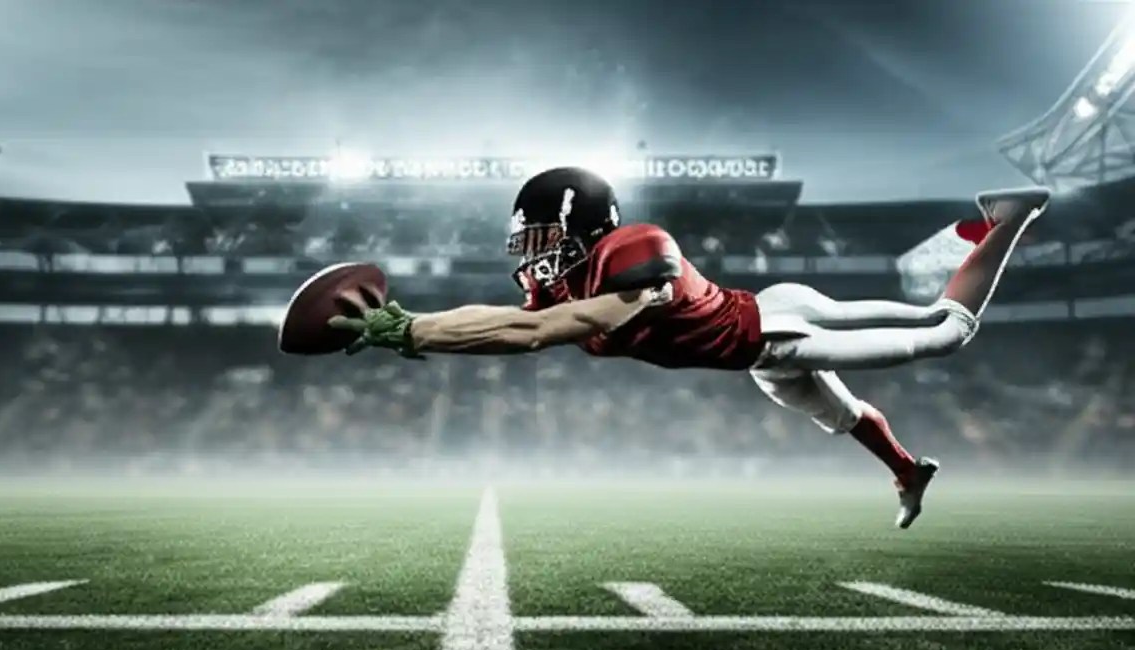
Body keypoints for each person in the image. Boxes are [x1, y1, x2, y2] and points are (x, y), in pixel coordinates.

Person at [329, 167, 1050, 529]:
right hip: (763, 347)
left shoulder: (636, 250)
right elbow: (510, 323)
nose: (536, 259)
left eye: (546, 239)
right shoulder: (563, 282)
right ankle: (908, 474)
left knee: (947, 330)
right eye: (531, 244)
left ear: (587, 229)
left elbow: (532, 335)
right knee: (843, 415)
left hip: (776, 330)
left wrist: (411, 328)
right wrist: (411, 327)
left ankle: (1010, 219)